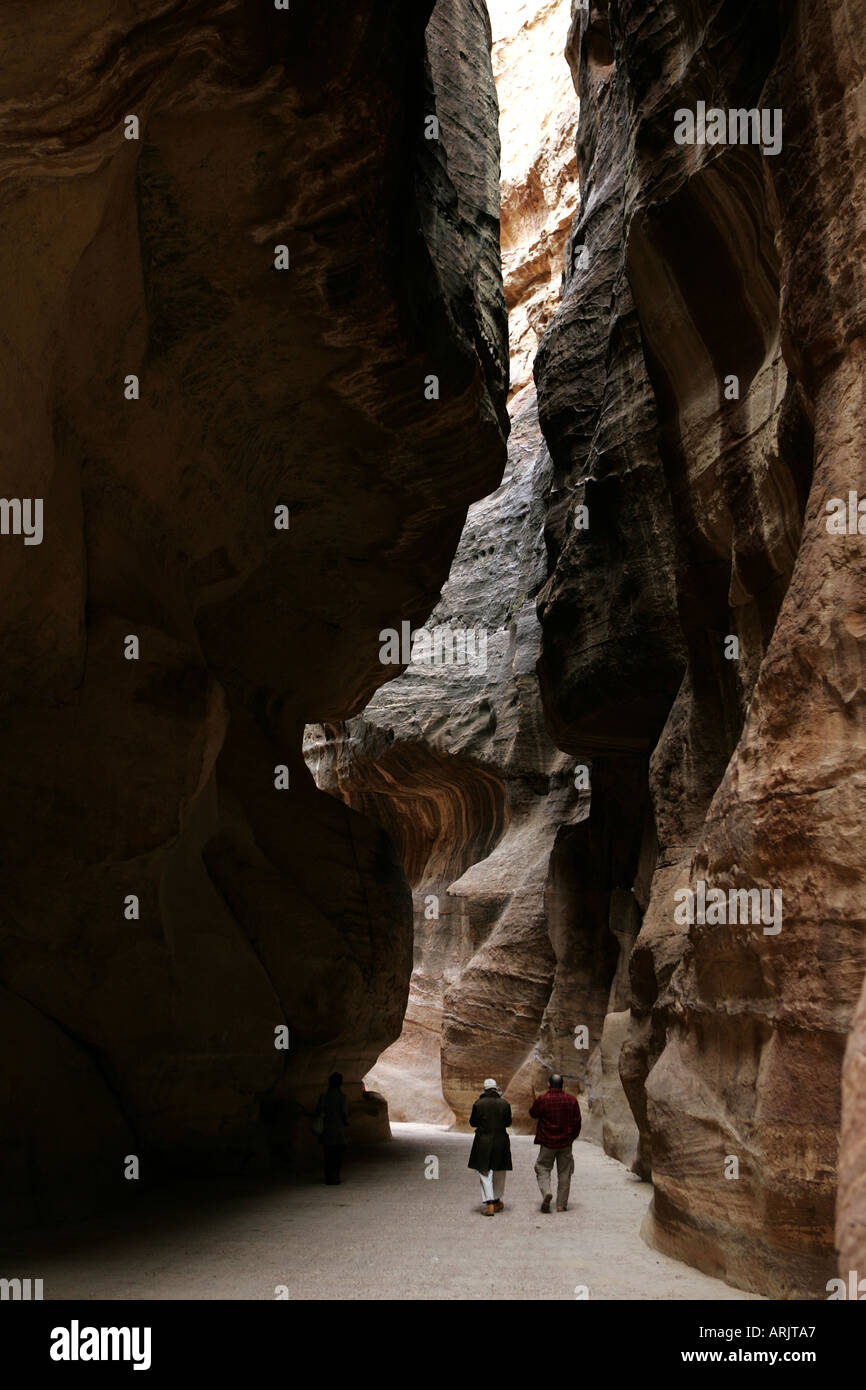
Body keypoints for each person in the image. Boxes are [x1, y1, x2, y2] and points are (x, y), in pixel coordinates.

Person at [529, 1073, 581, 1212]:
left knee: (542, 1168)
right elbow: (577, 1122)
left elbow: (533, 1113)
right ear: (563, 1085)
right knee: (565, 1172)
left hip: (547, 1142)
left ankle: (546, 1191)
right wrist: (571, 1137)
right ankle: (561, 1205)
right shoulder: (571, 1100)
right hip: (565, 1143)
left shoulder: (543, 1100)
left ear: (548, 1084)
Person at [468, 1078, 512, 1215]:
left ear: (485, 1089)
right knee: (499, 1171)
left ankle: (490, 1204)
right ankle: (497, 1200)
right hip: (501, 1141)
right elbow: (508, 1123)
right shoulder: (505, 1104)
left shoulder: (478, 1104)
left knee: (484, 1172)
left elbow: (473, 1122)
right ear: (495, 1088)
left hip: (483, 1141)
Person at [315, 1071, 349, 1185]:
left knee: (327, 1154)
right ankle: (336, 1176)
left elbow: (318, 1111)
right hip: (338, 1130)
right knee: (338, 1154)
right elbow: (344, 1114)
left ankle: (328, 1177)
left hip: (326, 1128)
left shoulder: (323, 1096)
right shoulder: (342, 1097)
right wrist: (346, 1123)